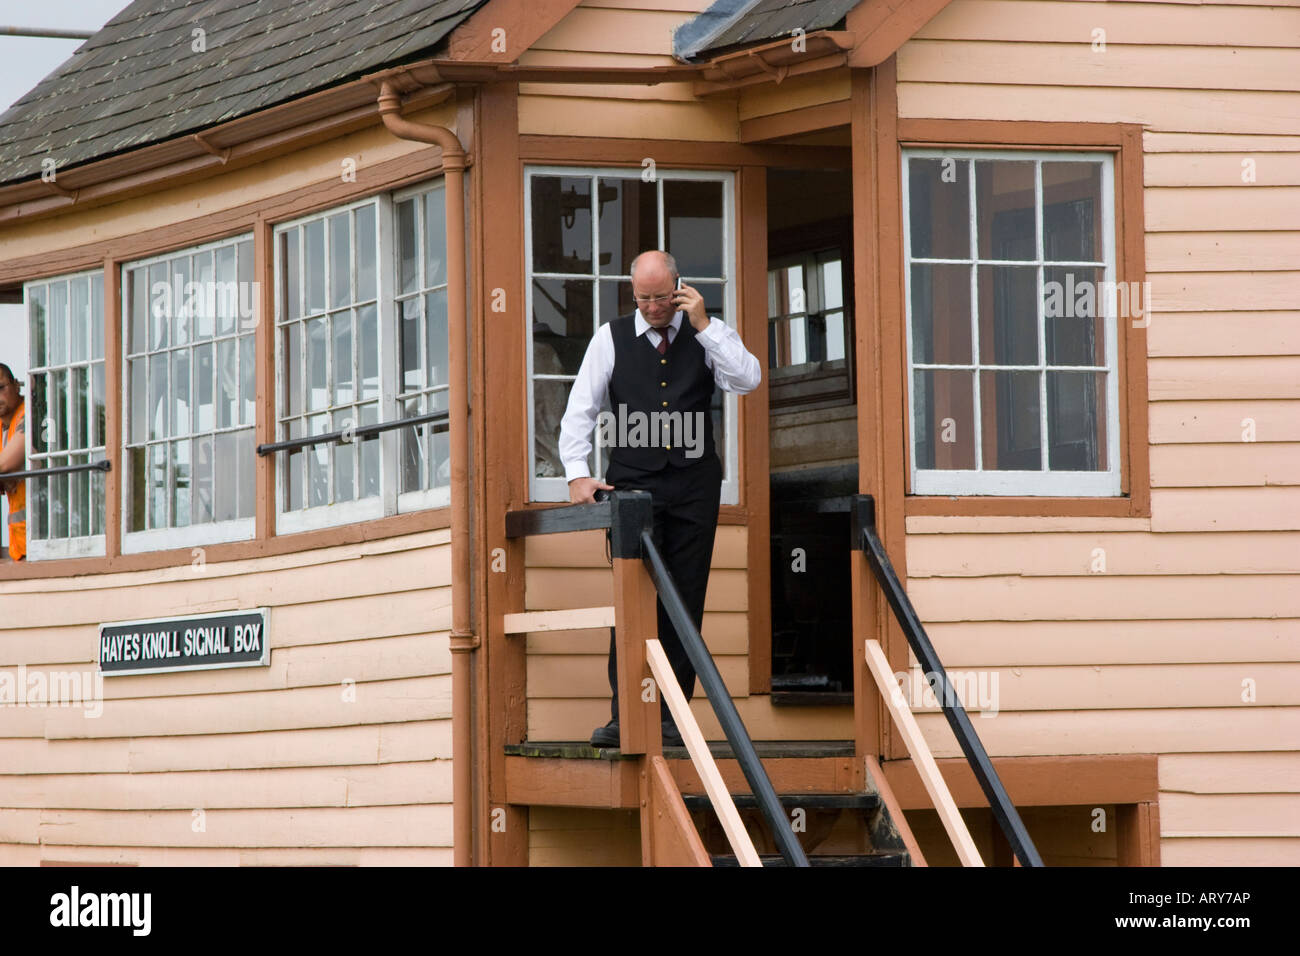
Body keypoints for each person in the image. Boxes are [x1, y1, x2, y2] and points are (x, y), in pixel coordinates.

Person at [559, 250, 761, 749]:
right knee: (634, 600)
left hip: (694, 487)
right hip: (633, 488)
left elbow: (748, 379)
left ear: (680, 287)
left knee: (685, 599)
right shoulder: (609, 338)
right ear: (633, 293)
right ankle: (626, 716)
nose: (652, 307)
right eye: (643, 298)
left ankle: (672, 720)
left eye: (662, 297)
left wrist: (704, 323)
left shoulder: (707, 332)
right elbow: (580, 409)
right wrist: (577, 475)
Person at [0, 363, 27, 561]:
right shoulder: (2, 427)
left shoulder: (33, 414)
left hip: (45, 543)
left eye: (1, 388)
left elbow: (5, 464)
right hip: (19, 547)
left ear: (16, 385)